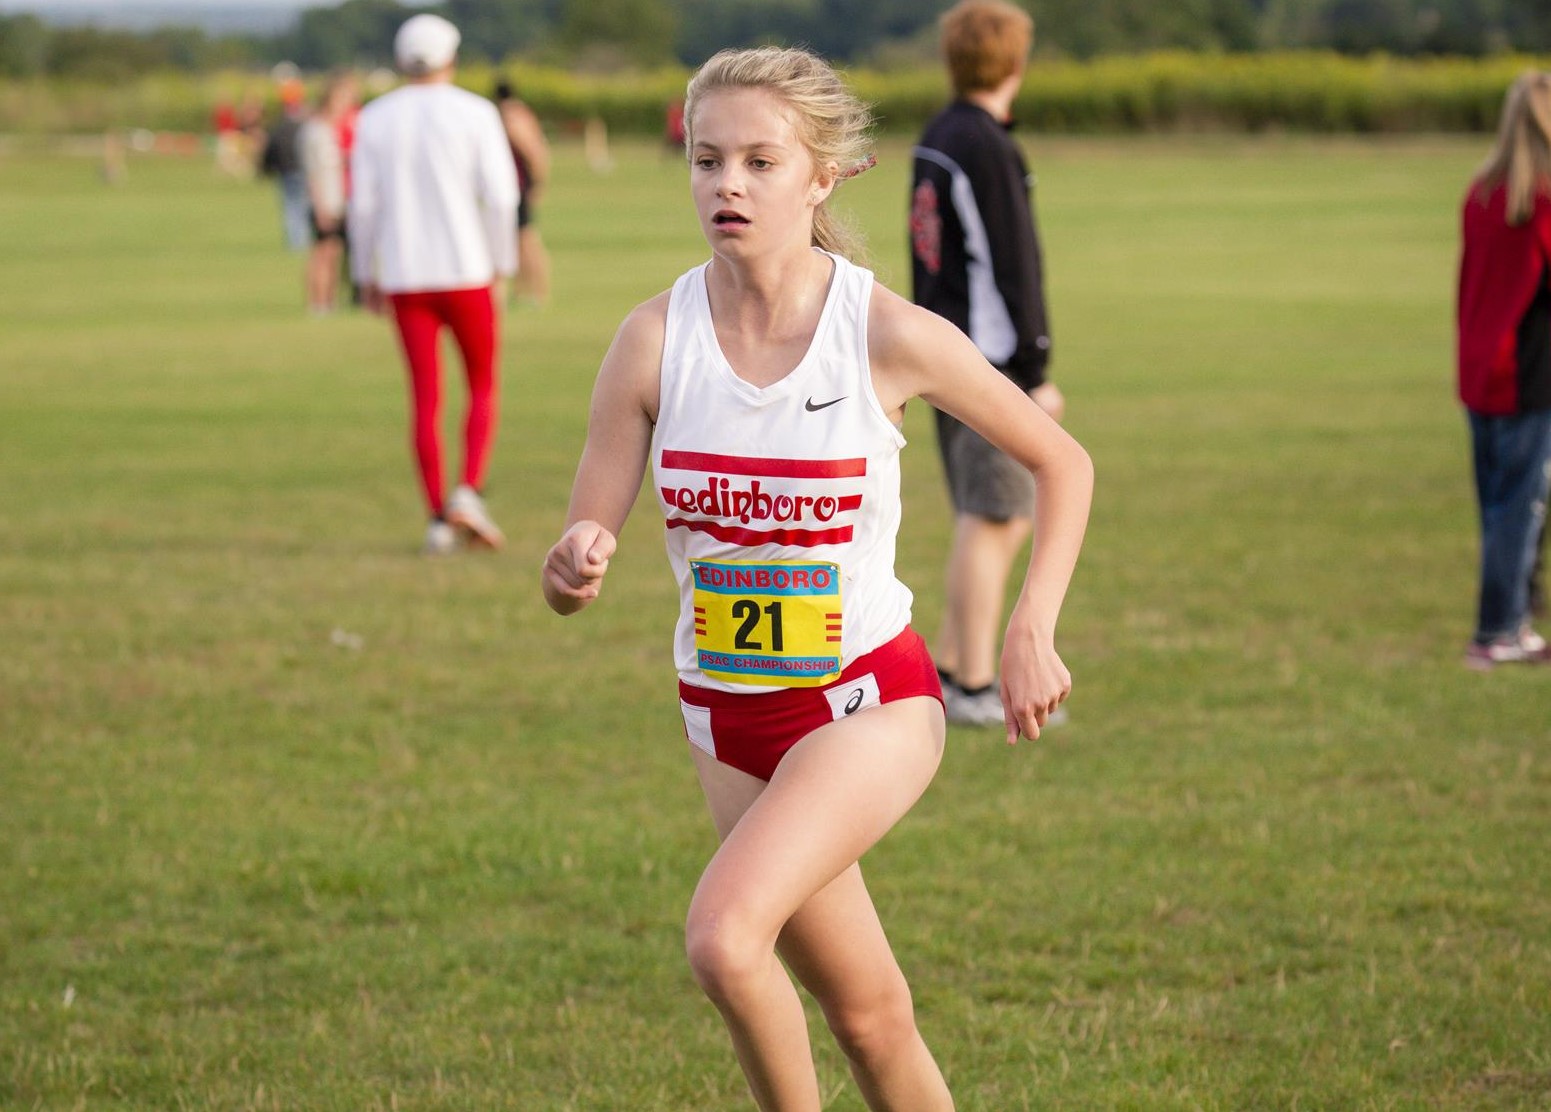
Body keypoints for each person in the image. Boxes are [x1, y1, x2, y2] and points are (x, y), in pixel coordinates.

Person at [542, 46, 1092, 1110]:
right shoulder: (652, 339)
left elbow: (1062, 460)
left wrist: (1033, 624)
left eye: (758, 160)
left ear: (822, 176)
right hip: (724, 716)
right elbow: (573, 560)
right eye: (707, 161)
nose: (728, 185)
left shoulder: (883, 331)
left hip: (868, 700)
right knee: (871, 1016)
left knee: (722, 935)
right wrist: (573, 565)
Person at [909, 0, 1069, 728]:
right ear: (1014, 62)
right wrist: (1033, 372)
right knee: (993, 516)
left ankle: (950, 662)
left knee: (993, 514)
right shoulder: (986, 146)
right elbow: (1014, 266)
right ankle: (972, 681)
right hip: (988, 363)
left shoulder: (939, 135)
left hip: (941, 352)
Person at [349, 14, 520, 555]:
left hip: (404, 277)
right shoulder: (476, 112)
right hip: (468, 270)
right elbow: (501, 197)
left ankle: (436, 519)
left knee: (425, 397)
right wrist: (503, 263)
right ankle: (468, 489)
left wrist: (363, 274)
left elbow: (362, 207)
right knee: (482, 385)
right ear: (452, 57)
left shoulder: (374, 118)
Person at [1457, 70, 1551, 669]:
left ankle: (1506, 622)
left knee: (1498, 505)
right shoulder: (1540, 201)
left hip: (1477, 372)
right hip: (1526, 374)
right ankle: (1499, 630)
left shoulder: (1482, 192)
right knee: (1520, 507)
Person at [299, 71, 359, 315]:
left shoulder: (341, 128)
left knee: (334, 252)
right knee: (321, 252)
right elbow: (312, 172)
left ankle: (329, 299)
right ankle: (317, 302)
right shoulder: (315, 130)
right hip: (324, 199)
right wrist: (320, 204)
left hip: (341, 198)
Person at [493, 77, 552, 305]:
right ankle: (521, 292)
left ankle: (539, 292)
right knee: (517, 240)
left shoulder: (510, 117)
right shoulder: (522, 112)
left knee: (526, 239)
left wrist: (537, 183)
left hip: (518, 186)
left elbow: (532, 151)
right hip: (518, 185)